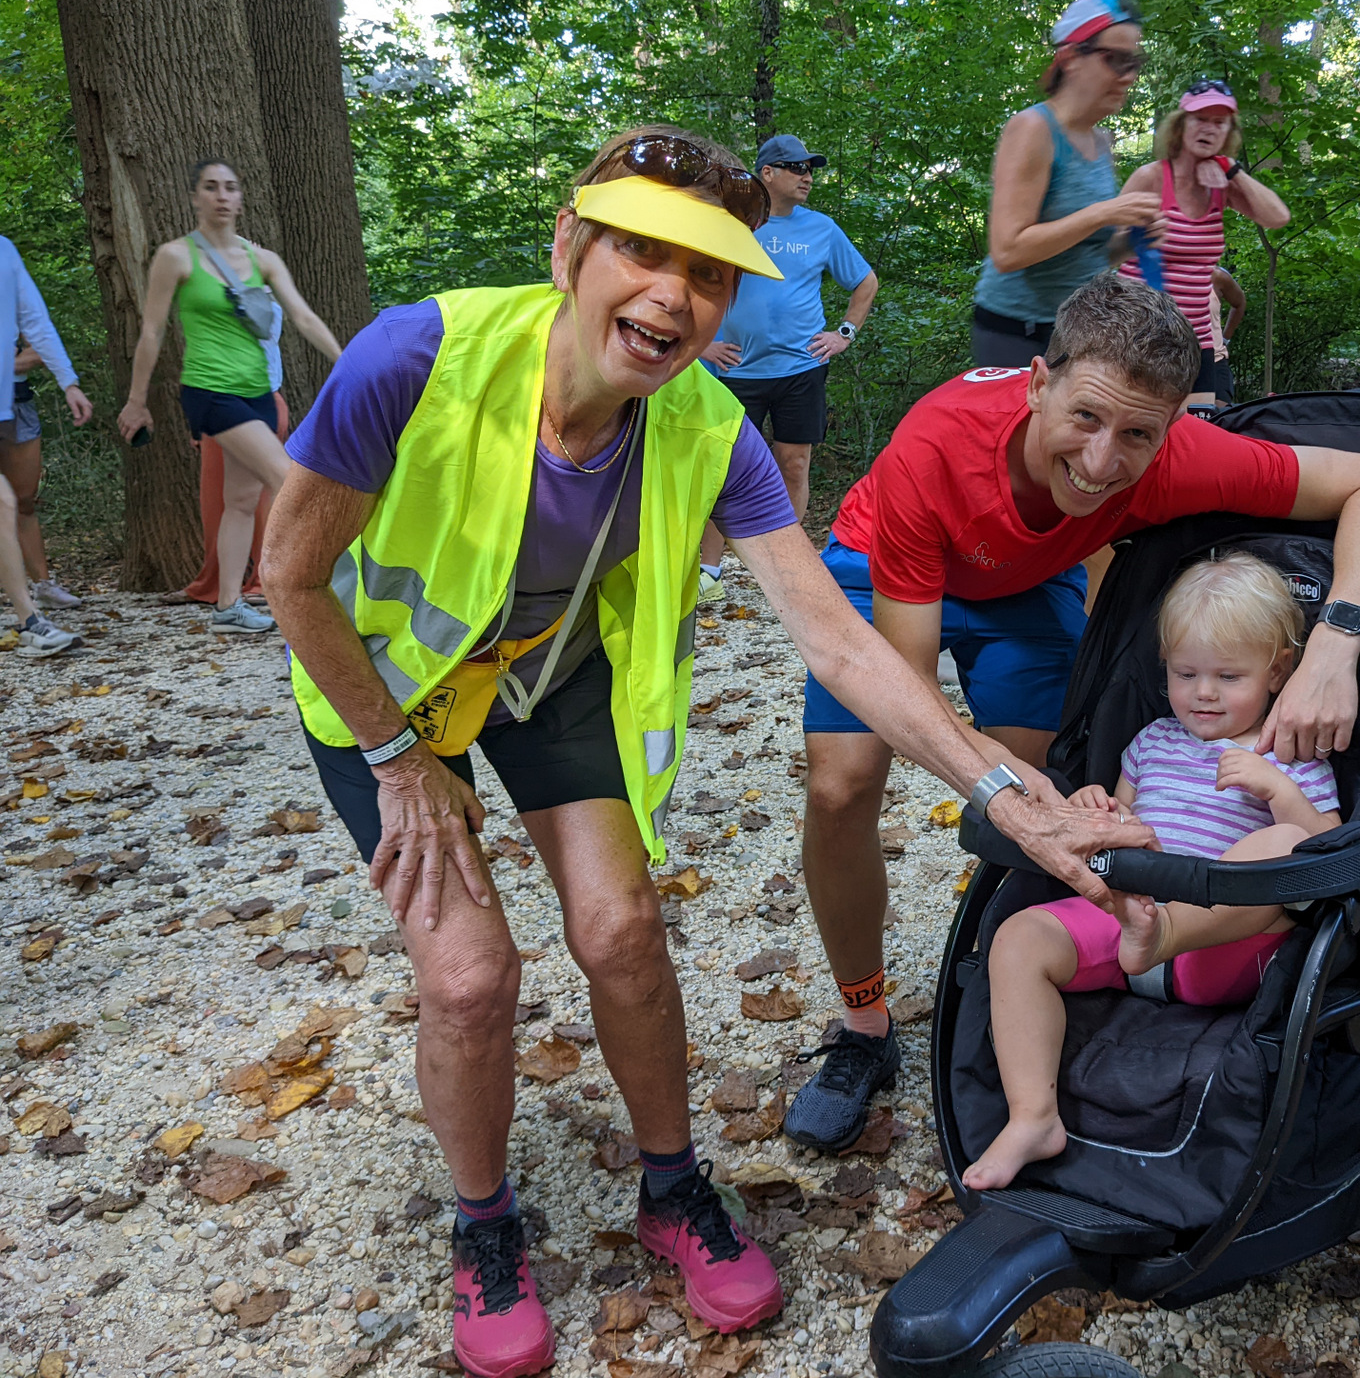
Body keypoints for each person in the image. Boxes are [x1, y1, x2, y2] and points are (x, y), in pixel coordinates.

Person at [259, 125, 1145, 1378]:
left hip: (544, 679)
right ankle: (484, 1226)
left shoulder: (708, 428)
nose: (674, 294)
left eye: (711, 273)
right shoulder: (421, 354)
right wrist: (401, 757)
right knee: (467, 979)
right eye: (643, 250)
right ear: (570, 248)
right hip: (381, 697)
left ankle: (673, 1189)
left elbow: (839, 644)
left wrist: (1007, 788)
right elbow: (289, 575)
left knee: (621, 931)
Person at [788, 272, 1360, 1153]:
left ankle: (1054, 995)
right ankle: (864, 1027)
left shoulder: (1179, 456)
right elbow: (911, 701)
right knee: (844, 780)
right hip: (890, 561)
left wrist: (1333, 643)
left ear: (1172, 426)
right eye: (1085, 419)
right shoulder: (933, 448)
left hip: (1026, 579)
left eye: (1137, 434)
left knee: (1046, 793)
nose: (1102, 462)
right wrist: (1004, 793)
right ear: (1036, 383)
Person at [962, 551, 1342, 1190]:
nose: (1203, 693)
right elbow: (1123, 825)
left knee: (1281, 842)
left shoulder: (1291, 756)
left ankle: (1165, 933)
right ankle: (1034, 1115)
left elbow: (1329, 853)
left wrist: (1278, 792)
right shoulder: (1150, 742)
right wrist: (1096, 809)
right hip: (1123, 921)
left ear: (1278, 673)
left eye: (1228, 676)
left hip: (1222, 946)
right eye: (1186, 673)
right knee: (1017, 938)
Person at [118, 160, 340, 634]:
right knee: (289, 482)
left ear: (241, 199)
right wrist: (137, 401)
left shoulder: (263, 261)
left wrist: (347, 362)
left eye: (230, 188)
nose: (221, 196)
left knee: (240, 502)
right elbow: (152, 333)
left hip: (258, 392)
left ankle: (226, 609)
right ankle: (314, 593)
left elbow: (302, 318)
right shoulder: (176, 257)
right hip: (210, 392)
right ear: (195, 197)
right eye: (211, 187)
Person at [697, 133, 876, 603]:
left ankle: (787, 569)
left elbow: (865, 282)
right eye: (796, 167)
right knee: (721, 468)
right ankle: (709, 570)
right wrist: (702, 345)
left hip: (800, 368)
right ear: (768, 173)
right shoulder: (733, 224)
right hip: (734, 372)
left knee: (794, 463)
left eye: (810, 168)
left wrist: (844, 335)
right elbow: (690, 278)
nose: (807, 176)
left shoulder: (821, 229)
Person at [971, 0, 1165, 367]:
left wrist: (1131, 241)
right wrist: (1104, 213)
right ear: (1072, 57)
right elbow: (1008, 251)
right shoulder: (1032, 129)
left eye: (1135, 62)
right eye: (1116, 59)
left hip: (1080, 329)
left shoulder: (1099, 141)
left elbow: (1086, 252)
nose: (1129, 76)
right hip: (1017, 332)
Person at [1116, 81, 1289, 405]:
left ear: (1228, 132)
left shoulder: (1222, 185)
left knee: (1195, 439)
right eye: (1200, 119)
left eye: (1219, 122)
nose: (1208, 128)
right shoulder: (1151, 177)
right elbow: (1106, 252)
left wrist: (1231, 169)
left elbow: (1277, 217)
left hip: (1196, 342)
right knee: (1138, 434)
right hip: (1137, 336)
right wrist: (1138, 237)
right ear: (1181, 126)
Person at [2, 238, 93, 649]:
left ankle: (36, 600)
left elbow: (35, 323)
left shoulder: (5, 252)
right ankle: (30, 621)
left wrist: (69, 382)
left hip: (12, 402)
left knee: (17, 500)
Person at [182, 296, 291, 604]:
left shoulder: (261, 300)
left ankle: (264, 581)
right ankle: (216, 586)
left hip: (253, 401)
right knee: (218, 498)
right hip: (219, 402)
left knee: (263, 495)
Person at [1212, 266, 1246, 404]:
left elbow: (1239, 303)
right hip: (1171, 364)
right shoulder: (1155, 275)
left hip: (1213, 359)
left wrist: (1225, 338)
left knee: (1219, 418)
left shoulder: (1217, 276)